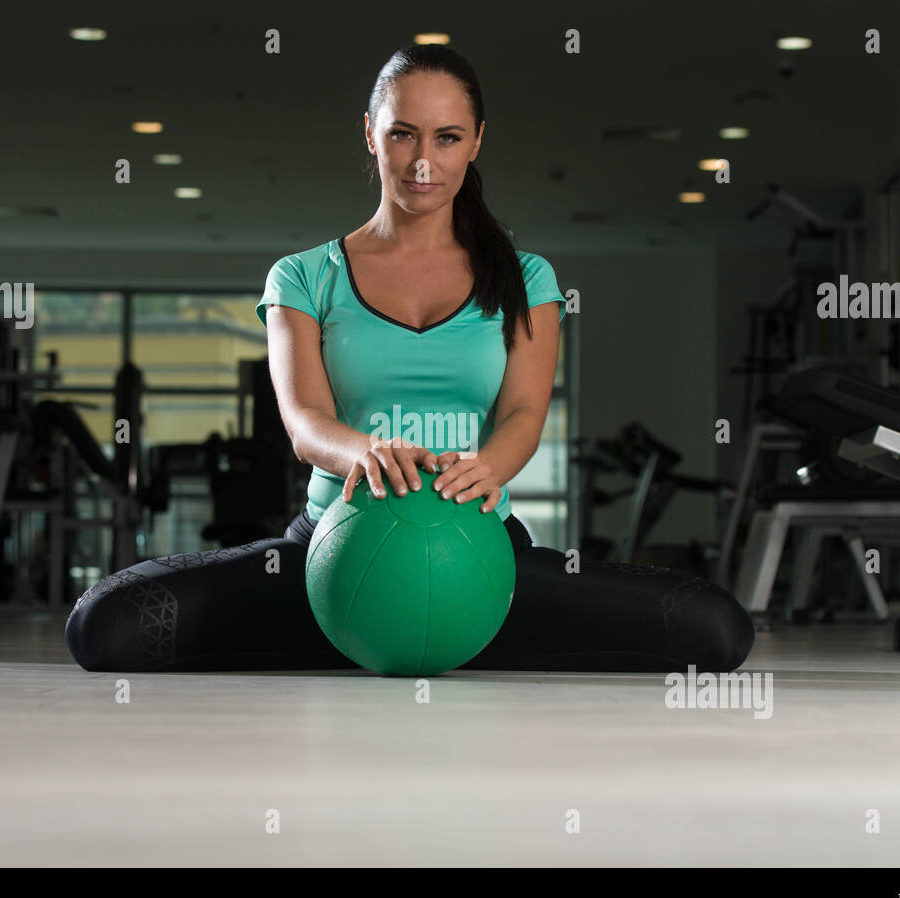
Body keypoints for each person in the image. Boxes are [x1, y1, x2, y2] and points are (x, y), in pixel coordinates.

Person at [65, 44, 754, 674]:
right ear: (371, 132)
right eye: (403, 134)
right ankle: (364, 630)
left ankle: (431, 634)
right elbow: (305, 420)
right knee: (106, 626)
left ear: (476, 142)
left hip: (481, 555)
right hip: (332, 551)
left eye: (448, 138)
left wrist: (489, 468)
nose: (424, 161)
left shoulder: (527, 278)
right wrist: (365, 450)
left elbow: (521, 412)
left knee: (714, 630)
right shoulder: (304, 277)